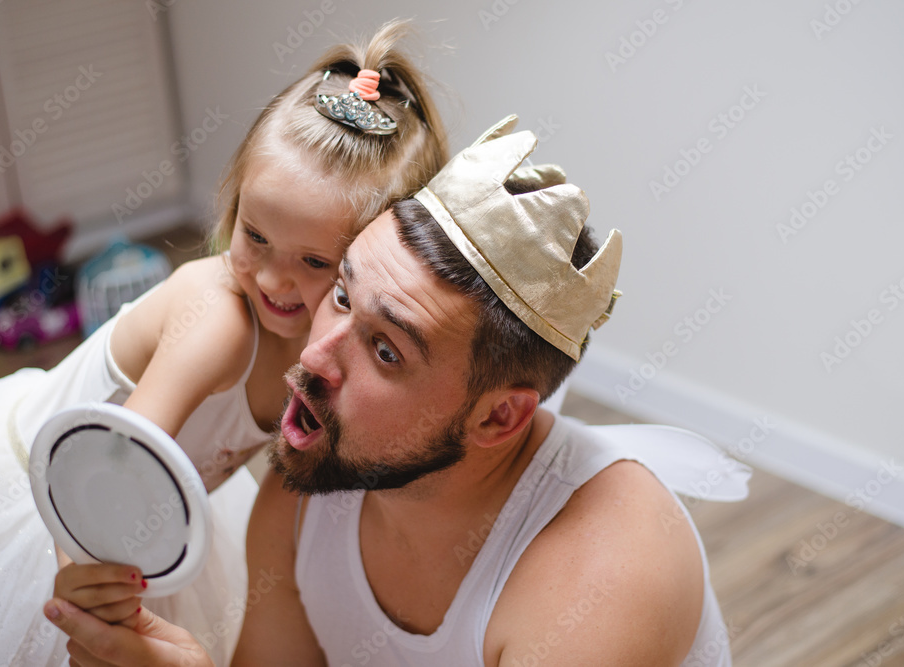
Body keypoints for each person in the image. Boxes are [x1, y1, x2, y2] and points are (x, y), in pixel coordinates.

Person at [44, 116, 750, 666]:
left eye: (386, 350)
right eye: (343, 295)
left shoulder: (607, 574)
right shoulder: (297, 504)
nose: (313, 355)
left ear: (499, 415)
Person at [0, 19, 448, 667]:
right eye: (254, 236)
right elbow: (106, 452)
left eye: (313, 263)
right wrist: (87, 579)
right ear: (233, 204)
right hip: (59, 499)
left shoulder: (322, 349)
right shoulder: (220, 321)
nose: (270, 278)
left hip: (150, 511)